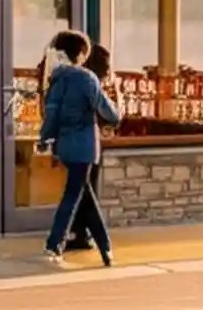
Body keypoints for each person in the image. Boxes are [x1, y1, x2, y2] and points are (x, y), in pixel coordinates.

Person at [38, 30, 119, 265]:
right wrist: (115, 115)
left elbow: (51, 115)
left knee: (84, 196)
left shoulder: (57, 78)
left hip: (65, 147)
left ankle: (104, 248)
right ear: (81, 54)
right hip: (85, 147)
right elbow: (107, 111)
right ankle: (55, 244)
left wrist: (45, 139)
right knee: (74, 195)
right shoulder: (87, 79)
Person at [65, 44, 116, 252]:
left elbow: (111, 114)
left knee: (85, 189)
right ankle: (83, 233)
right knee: (85, 188)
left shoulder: (86, 83)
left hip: (83, 144)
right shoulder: (91, 84)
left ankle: (91, 236)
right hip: (89, 144)